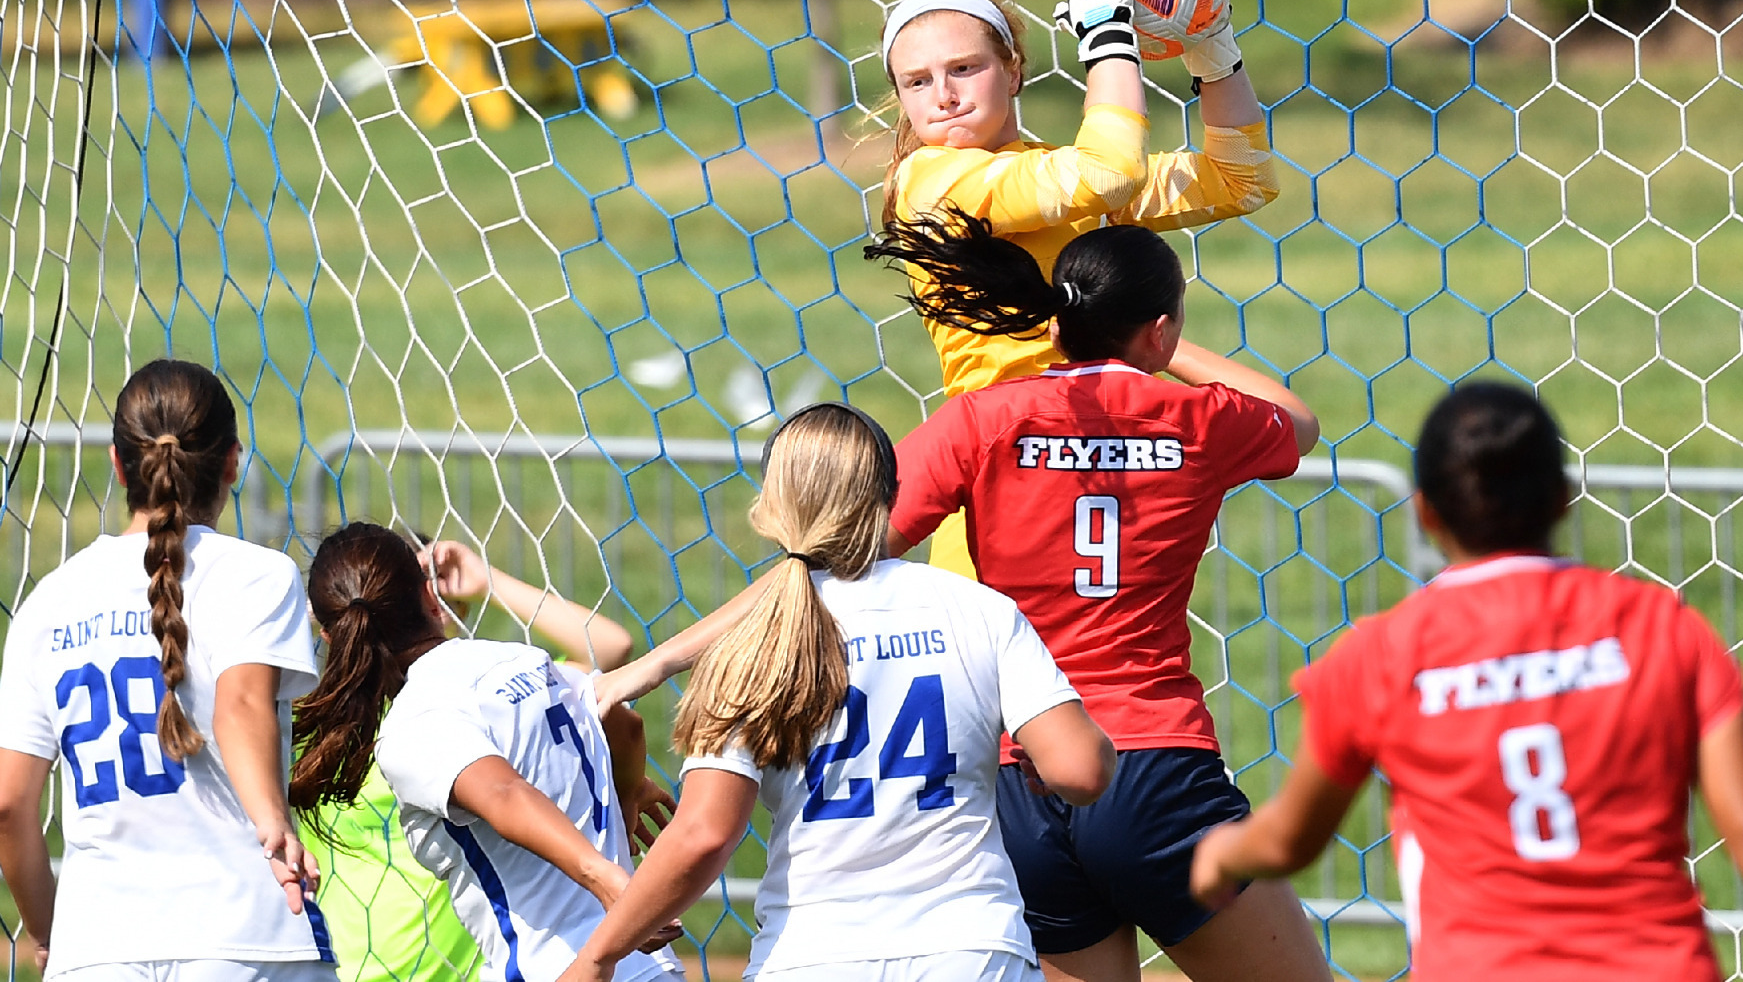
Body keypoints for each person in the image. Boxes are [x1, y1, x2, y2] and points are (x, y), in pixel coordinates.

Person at [1188, 382, 1743, 982]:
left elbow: (1290, 842)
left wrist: (1222, 855)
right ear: (1563, 498)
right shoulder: (1659, 627)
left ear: (1424, 510)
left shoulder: (1379, 658)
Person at [864, 215, 1330, 982]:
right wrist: (1167, 352)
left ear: (1059, 321)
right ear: (1160, 328)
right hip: (1152, 764)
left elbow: (857, 538)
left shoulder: (984, 419)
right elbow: (1300, 422)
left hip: (1024, 776)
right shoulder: (1201, 421)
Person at [557, 402, 1116, 982]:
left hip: (811, 956)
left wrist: (600, 955)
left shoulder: (748, 642)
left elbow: (704, 835)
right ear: (893, 495)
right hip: (971, 950)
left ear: (769, 508)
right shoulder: (979, 610)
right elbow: (1080, 772)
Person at [878, 0, 1279, 578]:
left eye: (964, 68)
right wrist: (1106, 22)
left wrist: (1211, 44)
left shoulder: (1055, 175)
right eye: (917, 82)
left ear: (1013, 70)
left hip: (1101, 472)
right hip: (999, 480)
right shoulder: (931, 183)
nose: (943, 96)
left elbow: (1242, 181)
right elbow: (1108, 171)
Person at [0, 358, 336, 981]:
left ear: (118, 463)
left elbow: (9, 805)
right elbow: (240, 704)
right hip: (246, 936)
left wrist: (54, 937)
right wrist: (271, 827)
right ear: (233, 462)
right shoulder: (258, 576)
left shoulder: (47, 602)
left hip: (97, 950)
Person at [290, 523, 679, 982]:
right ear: (429, 600)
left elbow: (505, 791)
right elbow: (621, 711)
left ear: (330, 634)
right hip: (617, 962)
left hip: (520, 966)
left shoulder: (412, 724)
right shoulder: (516, 673)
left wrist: (607, 879)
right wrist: (625, 788)